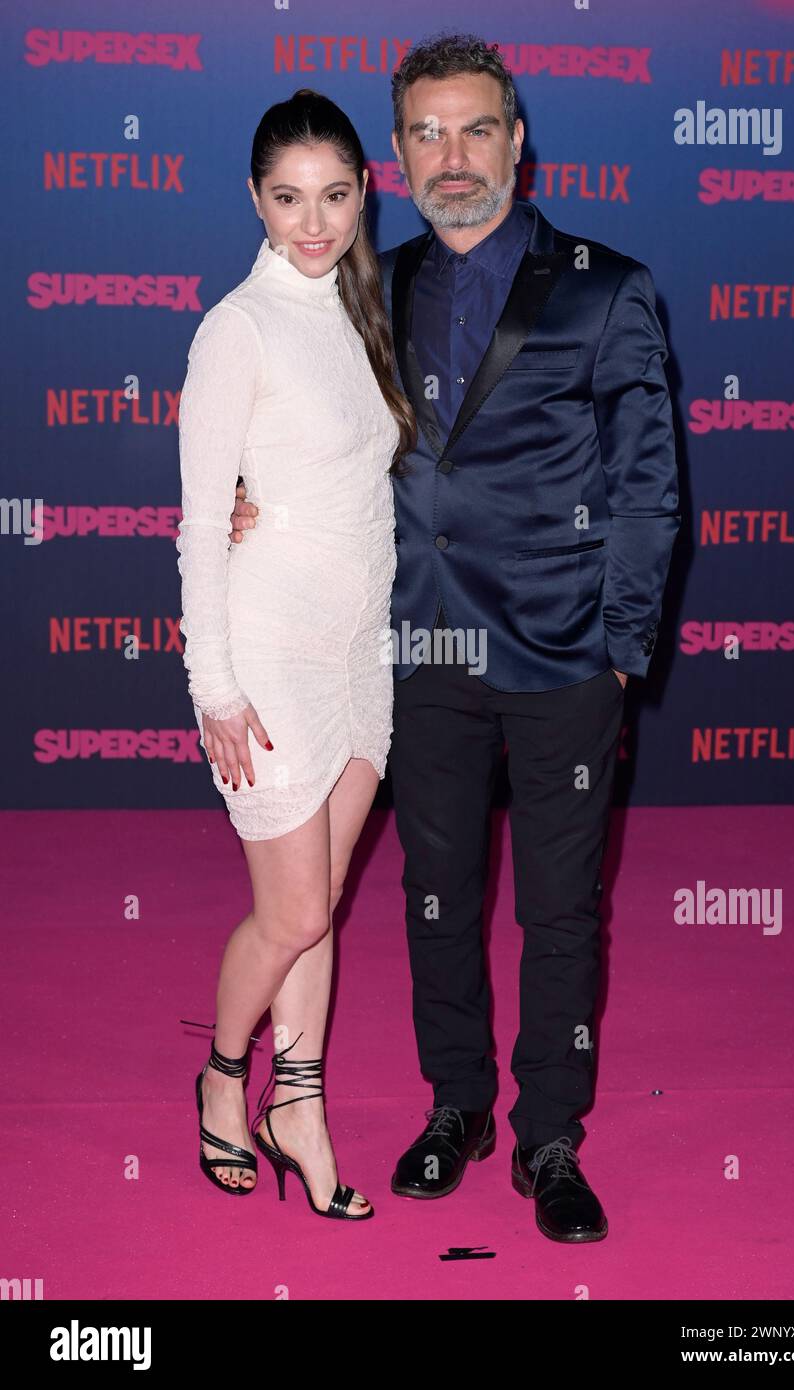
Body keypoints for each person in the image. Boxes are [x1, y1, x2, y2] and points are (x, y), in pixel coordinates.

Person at [230, 33, 680, 1244]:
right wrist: (247, 500)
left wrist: (620, 647)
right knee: (435, 893)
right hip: (413, 654)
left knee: (558, 908)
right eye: (426, 132)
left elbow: (646, 489)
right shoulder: (365, 282)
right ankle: (456, 1106)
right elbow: (304, 434)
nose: (453, 155)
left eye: (476, 128)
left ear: (518, 143)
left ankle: (548, 1134)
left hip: (561, 654)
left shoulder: (603, 286)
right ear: (398, 154)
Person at [176, 90, 415, 1220]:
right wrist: (210, 684)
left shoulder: (360, 306)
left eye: (331, 196)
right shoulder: (238, 326)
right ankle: (225, 1078)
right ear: (254, 200)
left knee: (323, 896)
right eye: (285, 199)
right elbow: (196, 520)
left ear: (364, 192)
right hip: (267, 656)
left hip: (357, 656)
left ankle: (299, 1101)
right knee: (295, 914)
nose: (310, 223)